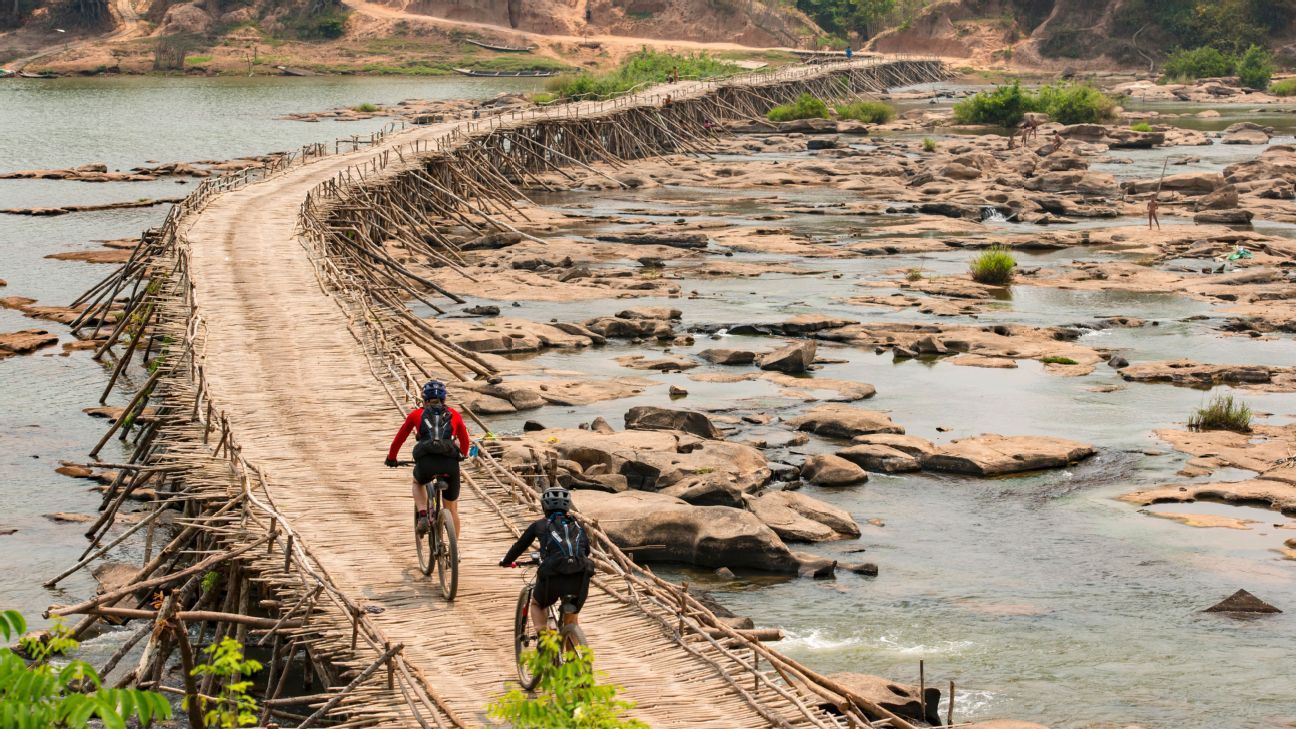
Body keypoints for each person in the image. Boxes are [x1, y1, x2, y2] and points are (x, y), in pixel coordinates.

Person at [499, 486, 593, 634]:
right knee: (572, 620)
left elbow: (520, 546)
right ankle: (572, 652)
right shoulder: (578, 525)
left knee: (537, 605)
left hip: (553, 577)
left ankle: (544, 639)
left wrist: (506, 561)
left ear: (544, 506)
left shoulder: (539, 525)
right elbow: (586, 551)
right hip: (579, 576)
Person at [386, 381, 471, 537]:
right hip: (450, 464)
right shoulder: (455, 414)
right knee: (452, 509)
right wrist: (462, 456)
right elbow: (465, 441)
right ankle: (454, 551)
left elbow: (399, 439)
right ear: (444, 400)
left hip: (426, 463)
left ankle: (423, 514)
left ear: (423, 400)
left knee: (417, 482)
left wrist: (392, 458)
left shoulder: (416, 415)